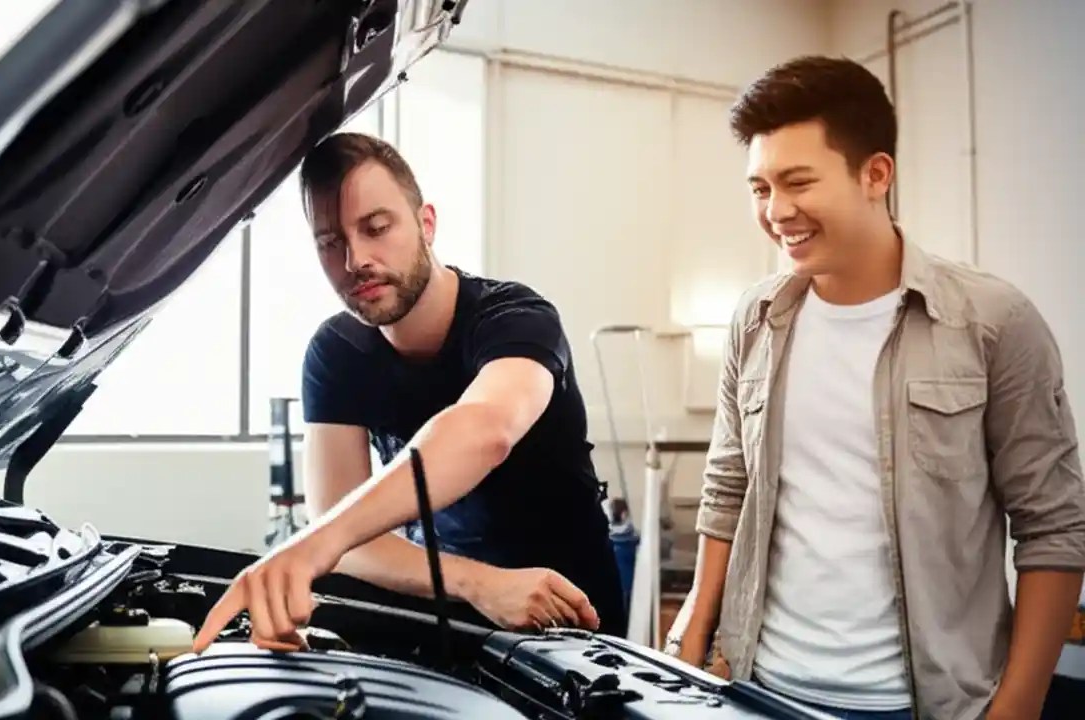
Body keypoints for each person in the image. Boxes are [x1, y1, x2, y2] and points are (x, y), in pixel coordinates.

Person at [664, 55, 1085, 720]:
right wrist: (683, 655)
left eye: (797, 182)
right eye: (759, 188)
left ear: (875, 174)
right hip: (760, 691)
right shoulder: (756, 320)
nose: (777, 212)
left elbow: (1054, 527)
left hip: (926, 705)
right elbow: (727, 490)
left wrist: (1018, 707)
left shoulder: (993, 323)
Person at [194, 132, 626, 653]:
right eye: (331, 243)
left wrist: (315, 545)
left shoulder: (516, 318)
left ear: (426, 224)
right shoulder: (337, 352)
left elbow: (485, 429)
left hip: (568, 613)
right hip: (445, 607)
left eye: (377, 228)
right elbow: (348, 537)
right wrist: (475, 582)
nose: (356, 259)